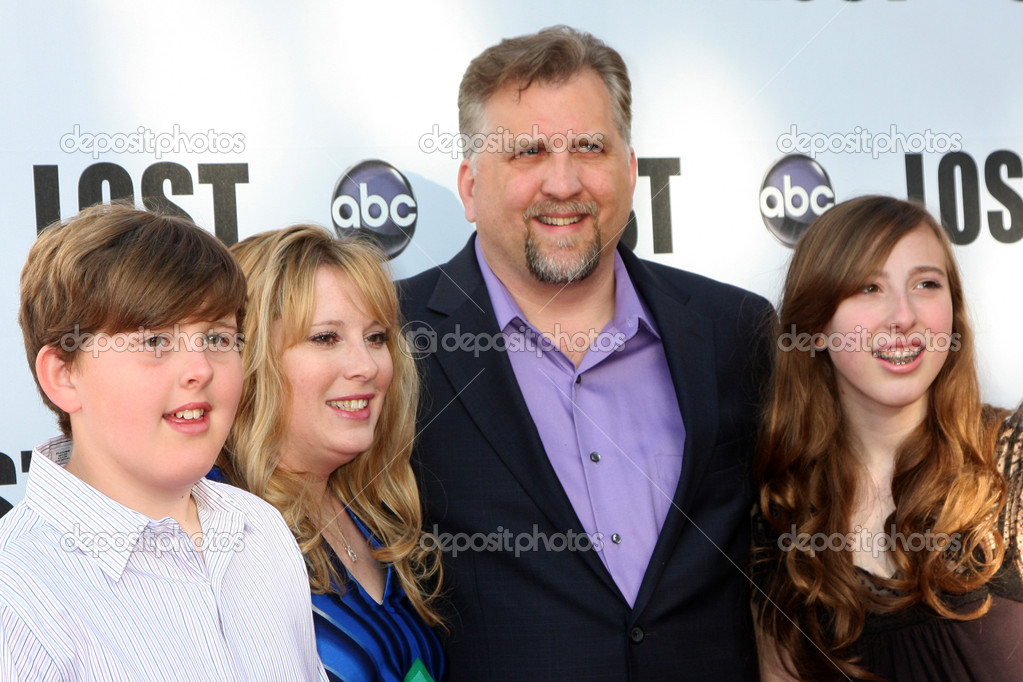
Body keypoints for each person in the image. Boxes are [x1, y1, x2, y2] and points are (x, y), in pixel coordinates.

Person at [399, 25, 773, 680]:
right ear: (469, 186)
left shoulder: (733, 330)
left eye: (589, 147)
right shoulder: (394, 340)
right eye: (528, 152)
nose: (563, 182)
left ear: (629, 170)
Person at [0, 203, 327, 681]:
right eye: (155, 341)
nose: (200, 369)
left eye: (217, 339)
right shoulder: (15, 597)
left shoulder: (260, 530)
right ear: (64, 375)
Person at [752, 195, 1023, 681]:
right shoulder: (778, 510)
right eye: (869, 287)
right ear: (815, 325)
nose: (903, 316)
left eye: (926, 284)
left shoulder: (1012, 462)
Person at [213, 224, 445, 682]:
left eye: (375, 337)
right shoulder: (213, 530)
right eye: (325, 338)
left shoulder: (373, 516)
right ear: (251, 356)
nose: (367, 367)